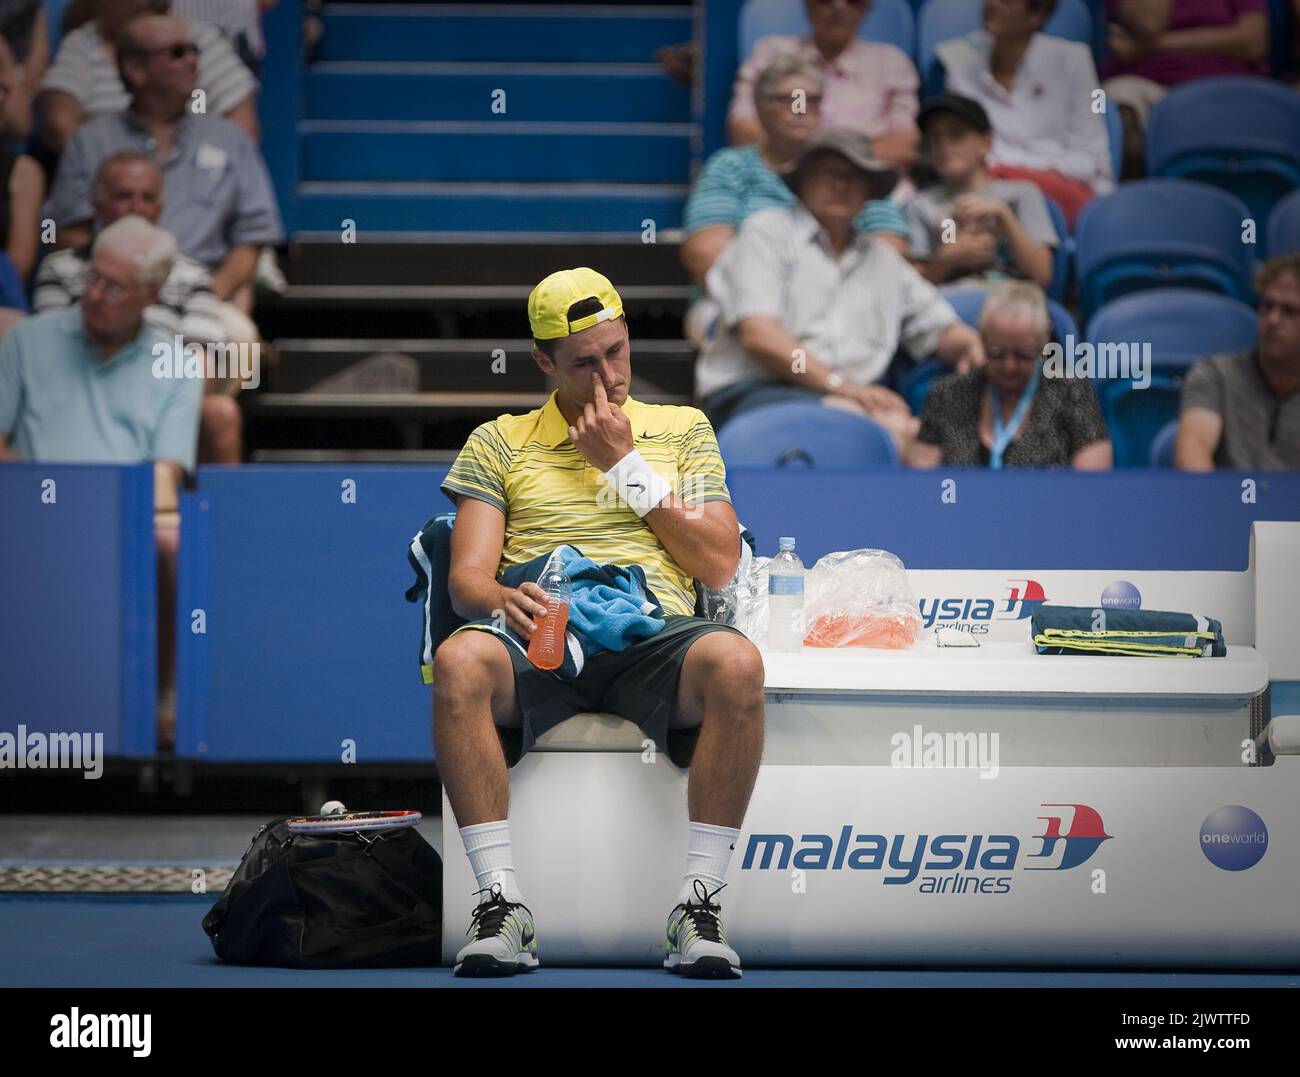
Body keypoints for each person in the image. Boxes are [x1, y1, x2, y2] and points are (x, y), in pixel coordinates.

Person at [435, 267, 764, 978]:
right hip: (541, 630)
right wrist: (499, 600)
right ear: (543, 363)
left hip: (652, 632)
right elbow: (466, 577)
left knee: (738, 664)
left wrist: (625, 464)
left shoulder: (683, 428)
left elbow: (717, 561)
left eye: (617, 352)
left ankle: (697, 907)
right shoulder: (499, 440)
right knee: (460, 661)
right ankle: (500, 905)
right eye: (584, 363)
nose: (607, 377)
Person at [0, 215, 202, 747]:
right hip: (29, 511)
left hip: (124, 519)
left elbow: (167, 472)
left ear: (150, 294)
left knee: (171, 540)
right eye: (91, 277)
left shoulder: (176, 363)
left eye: (113, 286)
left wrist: (123, 518)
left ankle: (164, 694)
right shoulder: (26, 341)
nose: (94, 294)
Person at [696, 127, 984, 450]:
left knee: (925, 442)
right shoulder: (765, 233)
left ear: (869, 190)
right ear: (804, 181)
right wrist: (840, 386)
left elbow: (935, 325)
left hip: (856, 401)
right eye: (828, 173)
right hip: (754, 390)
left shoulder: (884, 259)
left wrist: (970, 344)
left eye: (855, 176)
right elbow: (759, 335)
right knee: (875, 430)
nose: (841, 184)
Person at [45, 13, 283, 311]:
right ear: (135, 69)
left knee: (238, 344)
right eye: (177, 53)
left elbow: (253, 238)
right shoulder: (89, 141)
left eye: (194, 51)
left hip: (207, 298)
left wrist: (204, 297)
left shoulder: (231, 140)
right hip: (109, 300)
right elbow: (68, 235)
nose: (192, 61)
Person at [35, 150, 251, 463]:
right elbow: (52, 356)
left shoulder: (191, 274)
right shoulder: (61, 269)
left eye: (147, 198)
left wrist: (142, 409)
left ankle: (212, 512)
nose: (136, 208)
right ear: (96, 204)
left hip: (163, 401)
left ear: (160, 209)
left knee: (220, 413)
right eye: (123, 196)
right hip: (80, 393)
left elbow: (199, 369)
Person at [682, 54, 909, 344]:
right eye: (787, 99)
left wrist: (825, 297)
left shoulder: (854, 165)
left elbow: (891, 249)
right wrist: (793, 296)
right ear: (761, 109)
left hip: (848, 301)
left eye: (812, 100)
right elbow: (706, 254)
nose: (801, 109)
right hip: (742, 300)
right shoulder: (731, 166)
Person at [935, 0, 1113, 228]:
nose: (991, 5)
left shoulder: (1076, 60)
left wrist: (1012, 170)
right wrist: (1043, 170)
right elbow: (969, 153)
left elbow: (1091, 158)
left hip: (1063, 197)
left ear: (1037, 14)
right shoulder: (960, 70)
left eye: (1007, 1)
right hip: (992, 196)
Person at [908, 280, 1111, 469]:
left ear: (1042, 345)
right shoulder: (949, 394)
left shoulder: (1071, 393)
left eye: (1023, 355)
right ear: (983, 342)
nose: (1009, 366)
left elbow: (1091, 486)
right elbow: (923, 482)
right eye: (996, 353)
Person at [38, 0, 258, 153]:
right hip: (115, 191)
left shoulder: (199, 39)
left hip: (198, 193)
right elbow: (59, 125)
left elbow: (243, 129)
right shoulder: (83, 45)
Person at [727, 0, 919, 171]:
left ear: (866, 6)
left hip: (865, 187)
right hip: (782, 181)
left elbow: (903, 145)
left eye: (853, 0)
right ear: (807, 4)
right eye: (825, 0)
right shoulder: (772, 53)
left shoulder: (892, 62)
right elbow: (743, 129)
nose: (838, 6)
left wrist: (827, 171)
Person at [1102, 0, 1270, 178]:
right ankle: (1140, 200)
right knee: (1114, 109)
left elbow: (1254, 43)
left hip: (1225, 87)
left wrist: (1155, 46)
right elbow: (1148, 23)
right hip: (1147, 84)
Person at [906, 94, 1055, 288]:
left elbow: (1042, 275)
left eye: (956, 134)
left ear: (985, 143)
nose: (944, 144)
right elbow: (914, 290)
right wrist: (947, 258)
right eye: (935, 136)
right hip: (947, 307)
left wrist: (1005, 217)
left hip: (1013, 305)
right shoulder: (919, 204)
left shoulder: (1023, 193)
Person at [1176, 254, 1300, 469]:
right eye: (1267, 306)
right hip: (1226, 501)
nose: (1273, 319)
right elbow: (1192, 450)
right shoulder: (1217, 374)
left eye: (1289, 311)